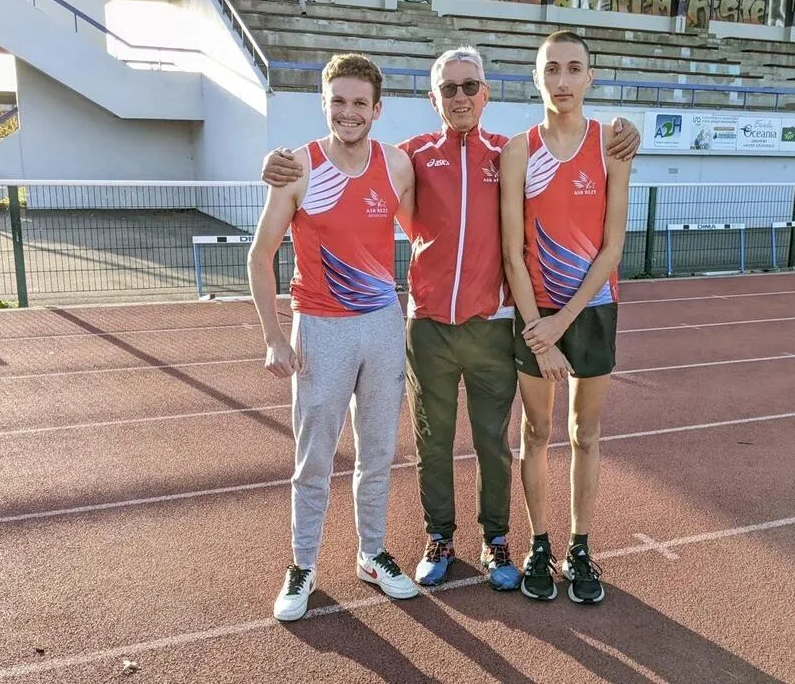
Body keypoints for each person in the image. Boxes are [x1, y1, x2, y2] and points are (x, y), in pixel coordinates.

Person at [261, 46, 640, 592]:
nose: (460, 97)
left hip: (492, 326)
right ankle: (439, 536)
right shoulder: (409, 157)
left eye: (470, 86)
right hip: (428, 326)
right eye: (449, 88)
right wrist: (278, 163)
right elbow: (349, 160)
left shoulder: (506, 154)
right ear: (432, 97)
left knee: (493, 441)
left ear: (485, 93)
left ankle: (495, 540)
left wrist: (624, 128)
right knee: (432, 441)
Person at [247, 53, 420, 623]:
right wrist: (275, 336)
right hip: (319, 327)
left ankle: (372, 554)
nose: (349, 112)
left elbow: (430, 232)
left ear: (378, 109)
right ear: (325, 104)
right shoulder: (297, 167)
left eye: (359, 103)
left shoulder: (397, 167)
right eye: (339, 101)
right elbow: (260, 255)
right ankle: (302, 565)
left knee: (378, 452)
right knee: (313, 457)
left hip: (382, 325)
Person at [499, 30, 631, 604]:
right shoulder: (518, 150)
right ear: (536, 77)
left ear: (590, 77)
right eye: (551, 69)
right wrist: (541, 330)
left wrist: (564, 323)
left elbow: (612, 247)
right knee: (535, 431)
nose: (562, 80)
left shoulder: (611, 146)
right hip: (534, 310)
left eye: (574, 69)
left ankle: (580, 547)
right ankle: (539, 543)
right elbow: (511, 252)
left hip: (593, 310)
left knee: (586, 433)